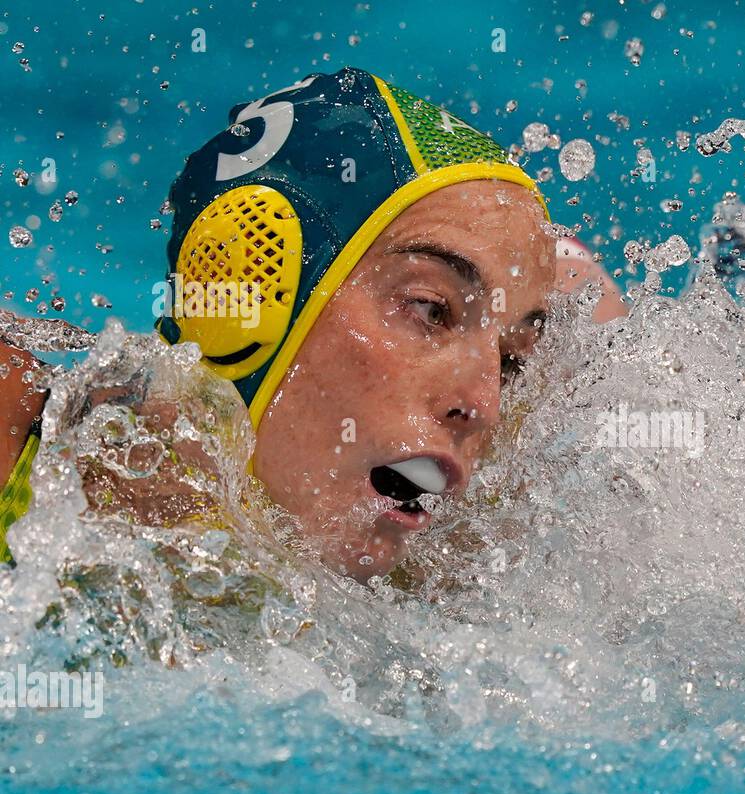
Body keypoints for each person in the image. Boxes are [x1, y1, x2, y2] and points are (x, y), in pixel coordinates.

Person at [0, 66, 625, 577]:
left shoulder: (456, 570)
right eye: (432, 311)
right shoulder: (26, 448)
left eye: (510, 360)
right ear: (254, 289)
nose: (482, 404)